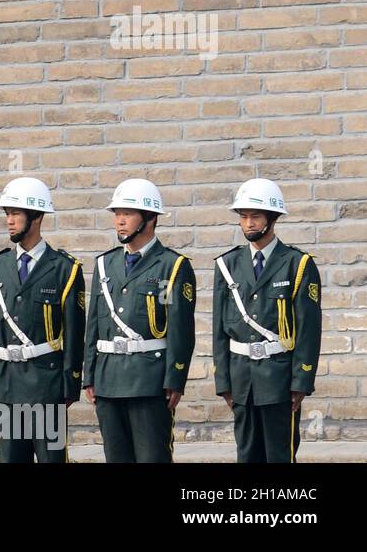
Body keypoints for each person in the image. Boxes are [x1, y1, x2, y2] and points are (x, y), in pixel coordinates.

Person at [83, 179, 196, 463]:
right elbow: (93, 325)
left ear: (149, 218)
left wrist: (175, 378)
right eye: (117, 214)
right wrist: (90, 376)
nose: (119, 221)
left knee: (152, 458)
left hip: (149, 381)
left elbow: (181, 329)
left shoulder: (172, 266)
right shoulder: (104, 264)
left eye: (128, 214)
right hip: (108, 380)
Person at [213, 178, 321, 463]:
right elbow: (219, 330)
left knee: (279, 456)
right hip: (241, 378)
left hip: (279, 378)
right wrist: (223, 380)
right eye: (243, 217)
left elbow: (309, 330)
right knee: (246, 454)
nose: (248, 223)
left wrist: (301, 381)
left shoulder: (298, 264)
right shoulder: (228, 265)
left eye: (255, 216)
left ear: (272, 219)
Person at [0, 177, 84, 463]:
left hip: (47, 383)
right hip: (8, 383)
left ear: (36, 217)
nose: (9, 221)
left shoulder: (65, 269)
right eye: (7, 214)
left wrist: (70, 384)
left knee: (51, 459)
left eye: (15, 214)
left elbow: (74, 334)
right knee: (12, 458)